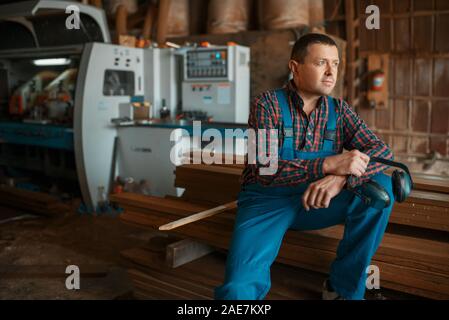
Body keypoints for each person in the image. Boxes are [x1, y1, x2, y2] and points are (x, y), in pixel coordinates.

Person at [214, 33, 394, 300]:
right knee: (238, 290)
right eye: (321, 62)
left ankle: (341, 289)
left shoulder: (339, 110)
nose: (331, 72)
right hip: (267, 203)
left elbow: (381, 151)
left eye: (336, 63)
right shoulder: (266, 104)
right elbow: (266, 169)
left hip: (319, 202)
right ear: (295, 67)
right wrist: (330, 164)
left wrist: (340, 180)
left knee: (382, 188)